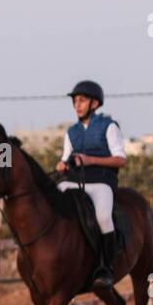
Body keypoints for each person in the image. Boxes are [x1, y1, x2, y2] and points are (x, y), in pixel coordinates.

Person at [54, 79, 127, 289]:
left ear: (94, 104)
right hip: (74, 182)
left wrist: (90, 160)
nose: (77, 105)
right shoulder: (71, 132)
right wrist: (62, 165)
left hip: (102, 183)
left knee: (103, 217)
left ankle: (106, 267)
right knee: (52, 201)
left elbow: (121, 159)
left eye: (82, 100)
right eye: (75, 101)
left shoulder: (109, 126)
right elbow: (66, 157)